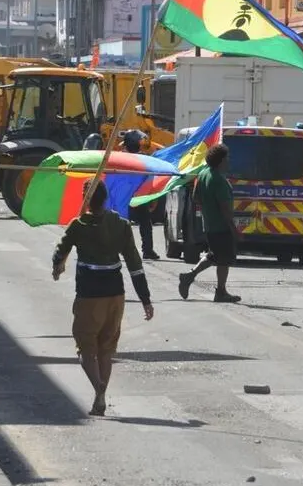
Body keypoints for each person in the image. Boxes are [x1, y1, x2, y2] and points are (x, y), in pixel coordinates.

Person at [52, 181, 154, 416]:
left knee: (86, 349)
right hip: (116, 296)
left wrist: (57, 266)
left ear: (85, 199)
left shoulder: (78, 226)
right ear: (106, 197)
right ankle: (101, 399)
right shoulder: (120, 224)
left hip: (89, 295)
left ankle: (98, 386)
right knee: (106, 349)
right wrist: (145, 299)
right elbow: (135, 266)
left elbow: (60, 251)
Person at [177, 143, 242, 303]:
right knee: (224, 259)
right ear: (221, 161)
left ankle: (188, 276)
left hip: (210, 224)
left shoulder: (204, 173)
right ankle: (221, 292)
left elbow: (195, 197)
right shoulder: (218, 180)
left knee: (214, 255)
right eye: (227, 158)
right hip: (221, 226)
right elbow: (225, 209)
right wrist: (234, 229)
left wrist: (208, 206)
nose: (229, 161)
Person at [122, 130, 160, 260]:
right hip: (139, 198)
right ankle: (147, 251)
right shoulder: (145, 160)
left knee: (120, 225)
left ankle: (119, 250)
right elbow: (151, 180)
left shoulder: (119, 159)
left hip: (125, 198)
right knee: (145, 225)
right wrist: (153, 198)